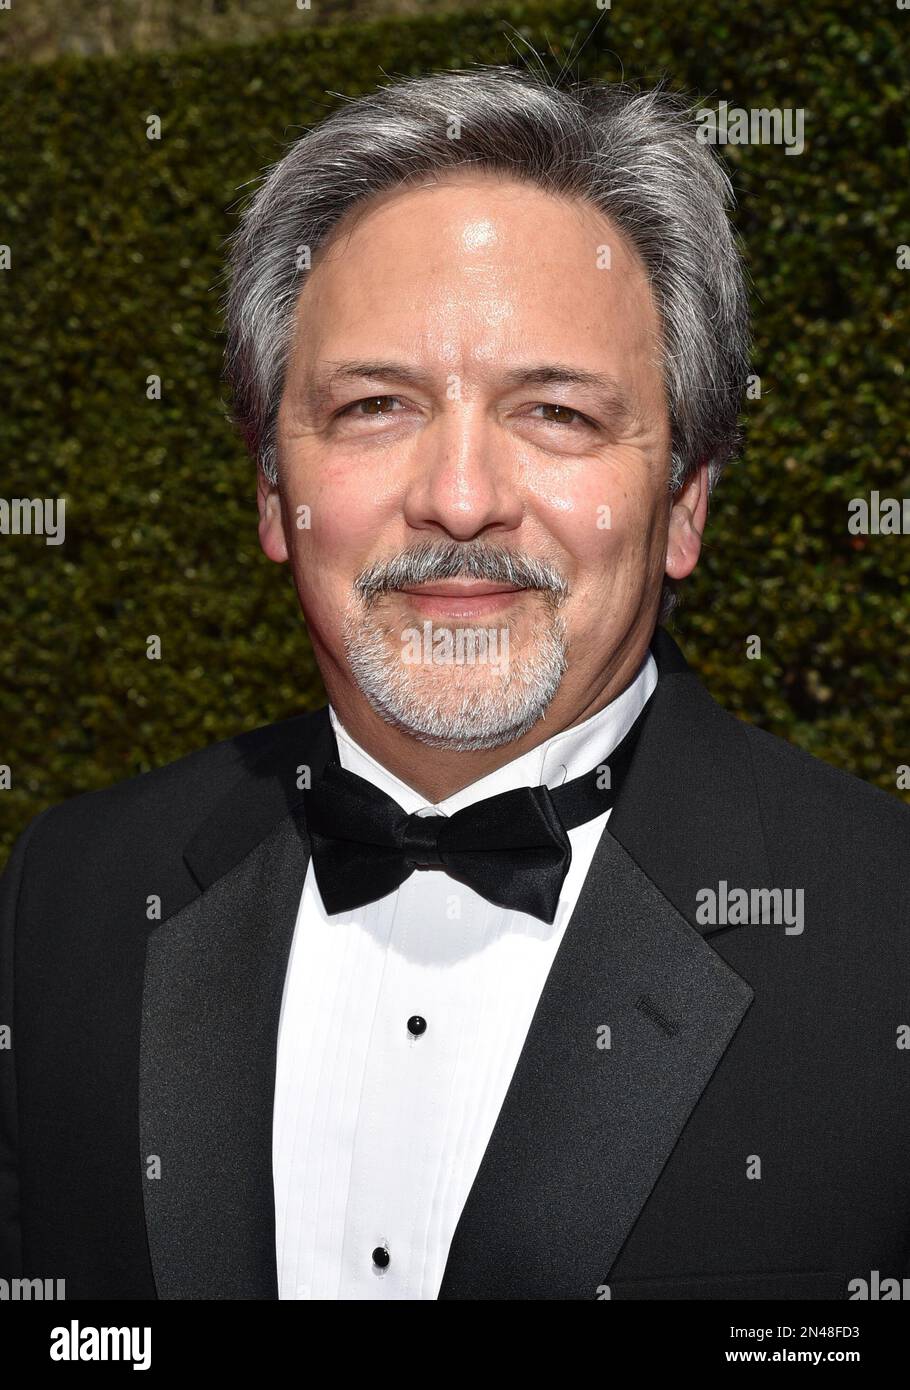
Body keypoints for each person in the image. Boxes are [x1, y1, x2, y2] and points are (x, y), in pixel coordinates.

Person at [2, 66, 907, 1302]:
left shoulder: (884, 932)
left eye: (556, 412)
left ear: (684, 503)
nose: (463, 498)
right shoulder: (68, 899)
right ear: (274, 492)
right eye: (375, 406)